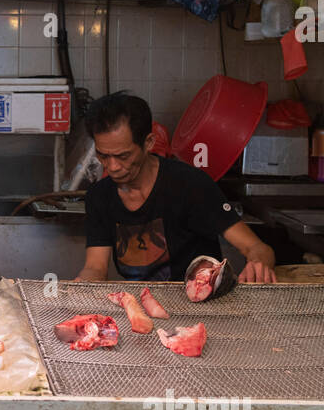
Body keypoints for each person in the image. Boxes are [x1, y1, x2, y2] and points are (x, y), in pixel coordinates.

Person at [75, 91, 277, 283]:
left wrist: (258, 263)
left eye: (123, 156)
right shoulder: (99, 196)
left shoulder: (190, 185)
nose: (112, 167)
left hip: (200, 304)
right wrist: (84, 283)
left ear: (149, 143)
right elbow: (95, 267)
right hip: (143, 303)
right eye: (103, 155)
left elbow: (257, 248)